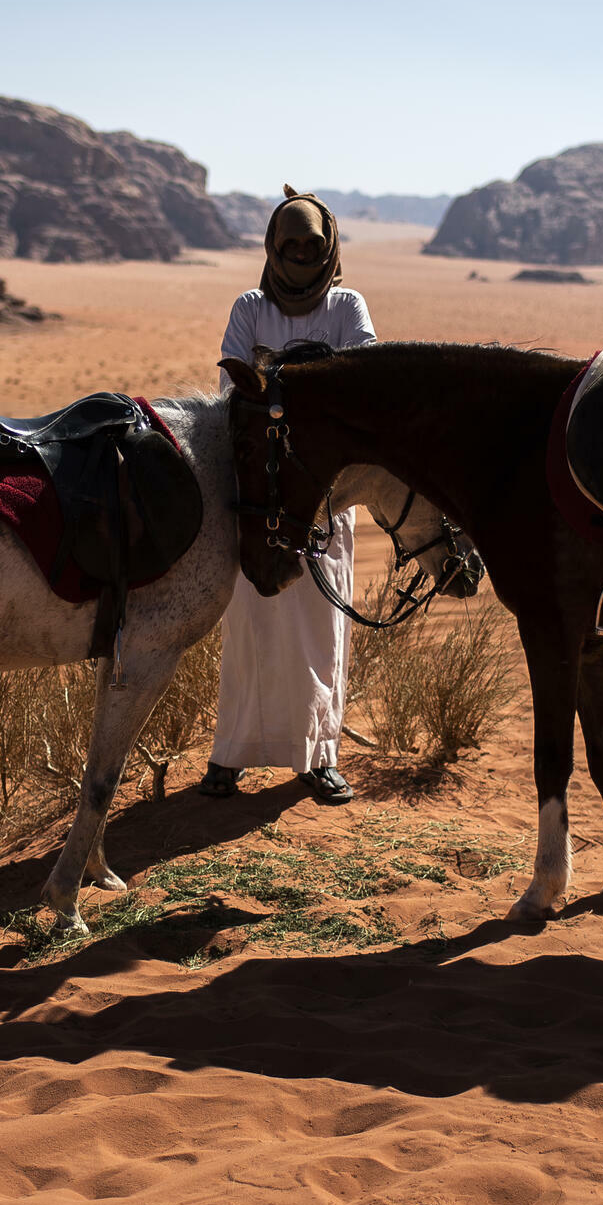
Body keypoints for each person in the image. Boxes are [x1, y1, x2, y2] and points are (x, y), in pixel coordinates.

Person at [199, 187, 375, 805]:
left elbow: (363, 390)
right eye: (290, 243)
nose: (301, 254)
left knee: (318, 628)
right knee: (249, 625)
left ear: (330, 249)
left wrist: (282, 396)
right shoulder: (250, 307)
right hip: (262, 494)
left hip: (325, 495)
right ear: (271, 248)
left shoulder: (346, 306)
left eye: (313, 244)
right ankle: (231, 755)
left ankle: (318, 755)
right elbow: (235, 389)